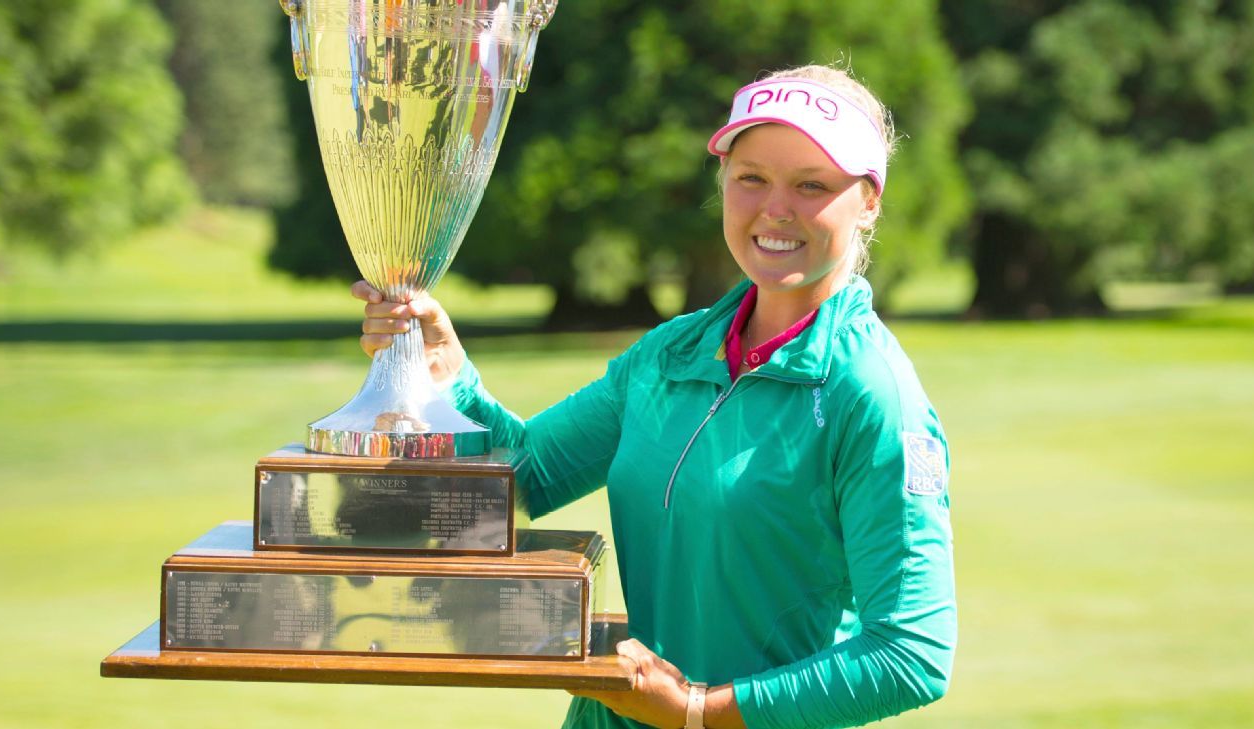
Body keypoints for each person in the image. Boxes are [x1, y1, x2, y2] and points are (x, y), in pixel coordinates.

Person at [354, 64, 956, 729]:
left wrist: (698, 711)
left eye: (811, 184)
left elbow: (912, 653)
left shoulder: (873, 394)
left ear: (868, 199)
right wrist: (445, 370)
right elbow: (523, 473)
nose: (775, 208)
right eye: (751, 176)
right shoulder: (670, 356)